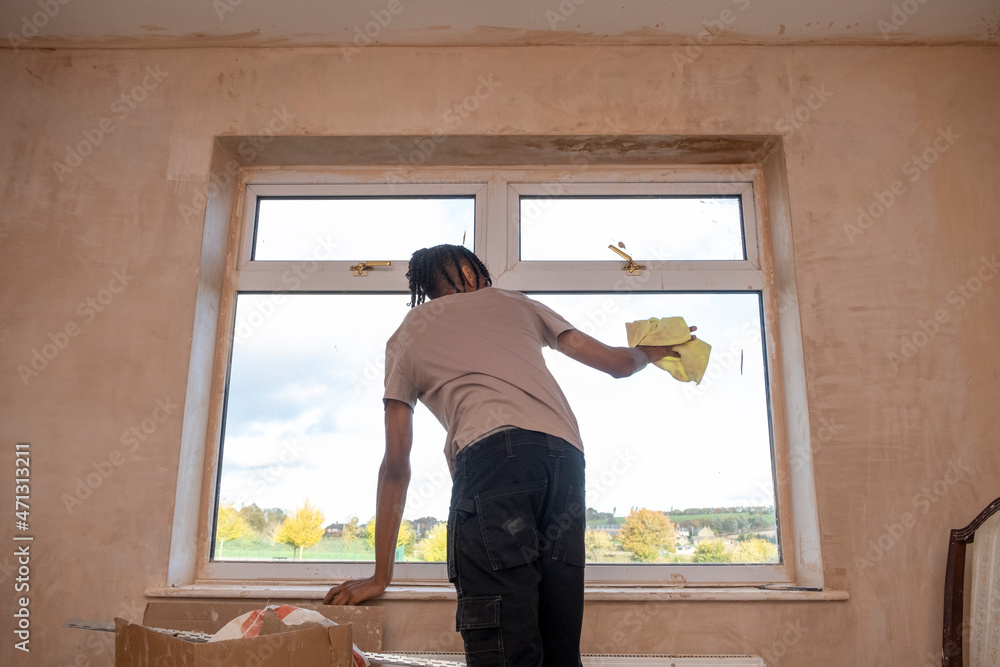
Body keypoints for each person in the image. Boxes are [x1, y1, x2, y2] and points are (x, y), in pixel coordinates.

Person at [324, 244, 694, 666]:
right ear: (468, 269)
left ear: (424, 288)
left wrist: (381, 576)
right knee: (558, 644)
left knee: (504, 646)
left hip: (493, 463)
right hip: (564, 460)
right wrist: (650, 352)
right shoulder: (515, 303)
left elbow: (396, 463)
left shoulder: (407, 334)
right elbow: (616, 364)